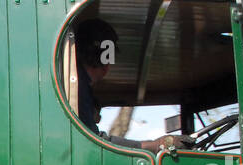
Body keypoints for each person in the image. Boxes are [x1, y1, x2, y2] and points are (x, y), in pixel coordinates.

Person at [74, 19, 194, 153]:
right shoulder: (78, 88)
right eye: (109, 55)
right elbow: (93, 142)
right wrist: (156, 145)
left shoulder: (80, 85)